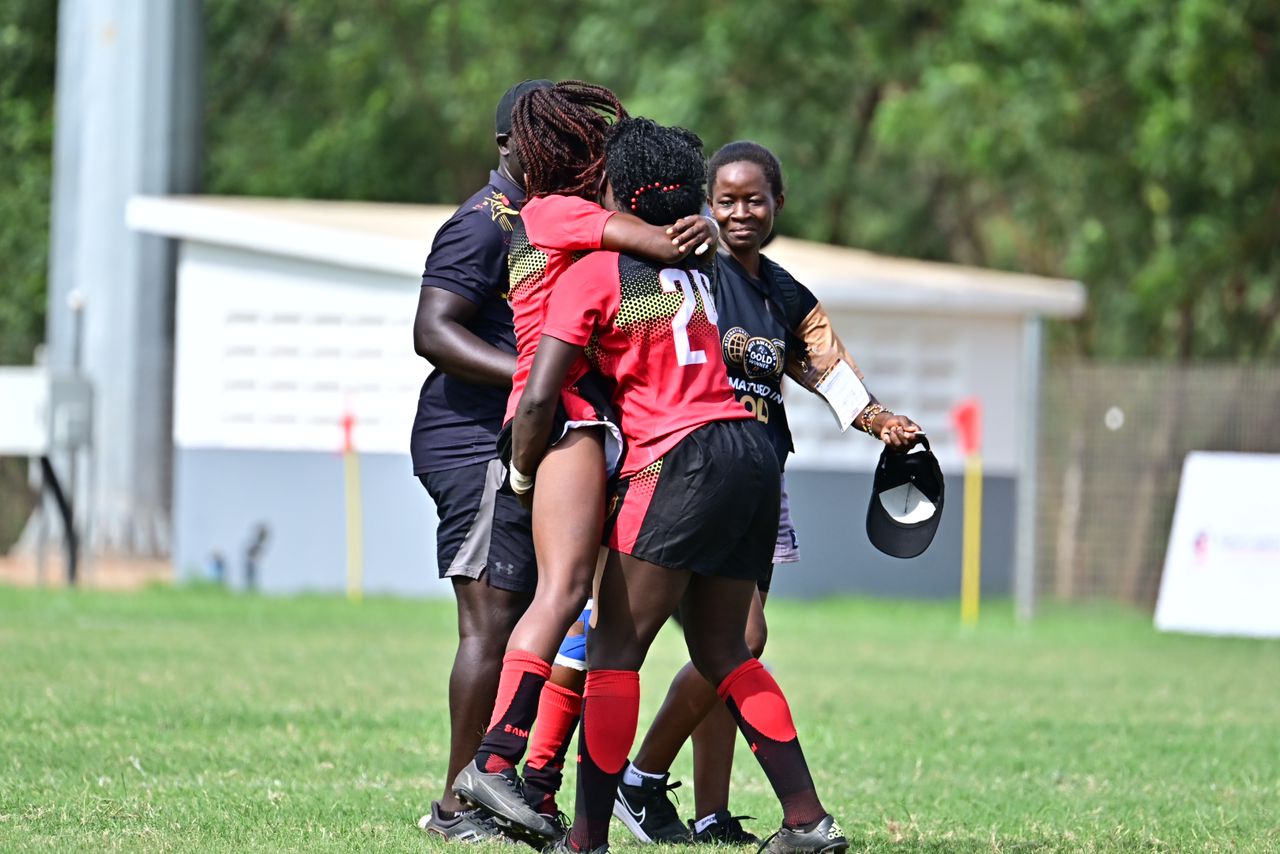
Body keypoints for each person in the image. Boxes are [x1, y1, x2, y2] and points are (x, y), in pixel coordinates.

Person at [511, 117, 851, 854]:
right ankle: (806, 821)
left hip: (678, 459)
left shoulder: (599, 273)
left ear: (619, 191)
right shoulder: (704, 271)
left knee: (613, 655)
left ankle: (588, 839)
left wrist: (524, 466)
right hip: (750, 450)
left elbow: (541, 394)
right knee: (728, 648)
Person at [615, 140, 922, 846]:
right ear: (706, 204)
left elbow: (828, 367)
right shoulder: (687, 268)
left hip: (755, 483)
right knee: (736, 642)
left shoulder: (785, 295)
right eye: (725, 200)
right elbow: (621, 329)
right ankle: (624, 781)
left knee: (727, 649)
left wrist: (880, 422)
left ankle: (710, 812)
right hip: (680, 475)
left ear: (778, 202)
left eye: (754, 199)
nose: (740, 213)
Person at [451, 82, 717, 843]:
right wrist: (685, 224)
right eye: (591, 144)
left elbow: (637, 306)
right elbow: (660, 248)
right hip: (561, 416)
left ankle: (536, 781)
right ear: (565, 154)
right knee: (562, 591)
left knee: (588, 611)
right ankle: (493, 766)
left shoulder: (575, 229)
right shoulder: (554, 214)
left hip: (591, 419)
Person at [409, 79, 559, 843]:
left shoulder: (546, 223)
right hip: (471, 441)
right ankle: (455, 807)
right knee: (490, 623)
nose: (563, 152)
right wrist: (534, 376)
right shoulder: (483, 222)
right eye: (547, 137)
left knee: (528, 616)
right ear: (507, 144)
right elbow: (433, 331)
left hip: (517, 436)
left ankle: (501, 790)